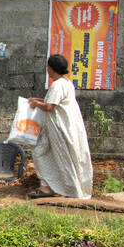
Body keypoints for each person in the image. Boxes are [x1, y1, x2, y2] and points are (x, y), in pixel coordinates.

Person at [29, 54, 93, 199]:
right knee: (42, 152)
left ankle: (66, 188)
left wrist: (36, 104)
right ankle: (46, 186)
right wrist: (38, 100)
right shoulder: (66, 83)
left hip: (59, 129)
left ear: (52, 69)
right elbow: (53, 102)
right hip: (58, 128)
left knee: (53, 156)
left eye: (48, 68)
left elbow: (50, 106)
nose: (47, 70)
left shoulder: (58, 84)